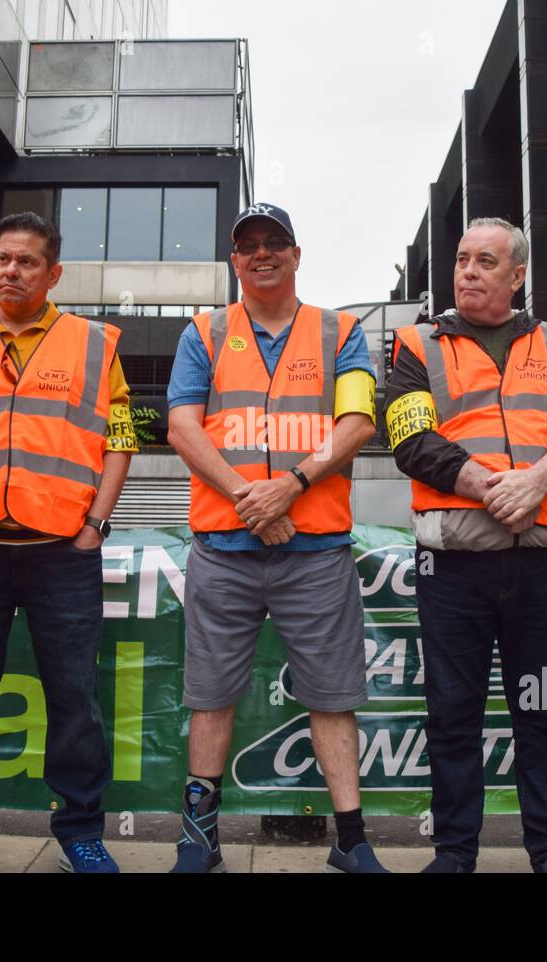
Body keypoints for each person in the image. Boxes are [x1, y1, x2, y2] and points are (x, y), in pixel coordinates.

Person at [166, 203, 384, 874]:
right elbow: (181, 427)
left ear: (296, 254)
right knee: (211, 695)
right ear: (234, 260)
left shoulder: (341, 331)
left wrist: (291, 483)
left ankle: (350, 842)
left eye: (274, 243)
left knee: (333, 695)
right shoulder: (203, 331)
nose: (261, 253)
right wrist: (250, 499)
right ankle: (198, 843)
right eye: (248, 245)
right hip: (225, 549)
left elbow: (357, 422)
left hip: (314, 551)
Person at [385, 217, 547, 873]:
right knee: (452, 716)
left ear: (518, 275)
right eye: (461, 259)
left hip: (541, 566)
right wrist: (493, 488)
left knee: (541, 711)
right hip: (452, 567)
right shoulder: (417, 346)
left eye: (486, 261)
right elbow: (409, 439)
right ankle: (454, 853)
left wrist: (537, 480)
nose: (468, 271)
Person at [0, 212, 136, 874]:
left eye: (26, 262)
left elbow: (121, 439)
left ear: (54, 273)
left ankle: (79, 830)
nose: (11, 270)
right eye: (2, 259)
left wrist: (95, 526)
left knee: (74, 696)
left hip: (61, 554)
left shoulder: (96, 344)